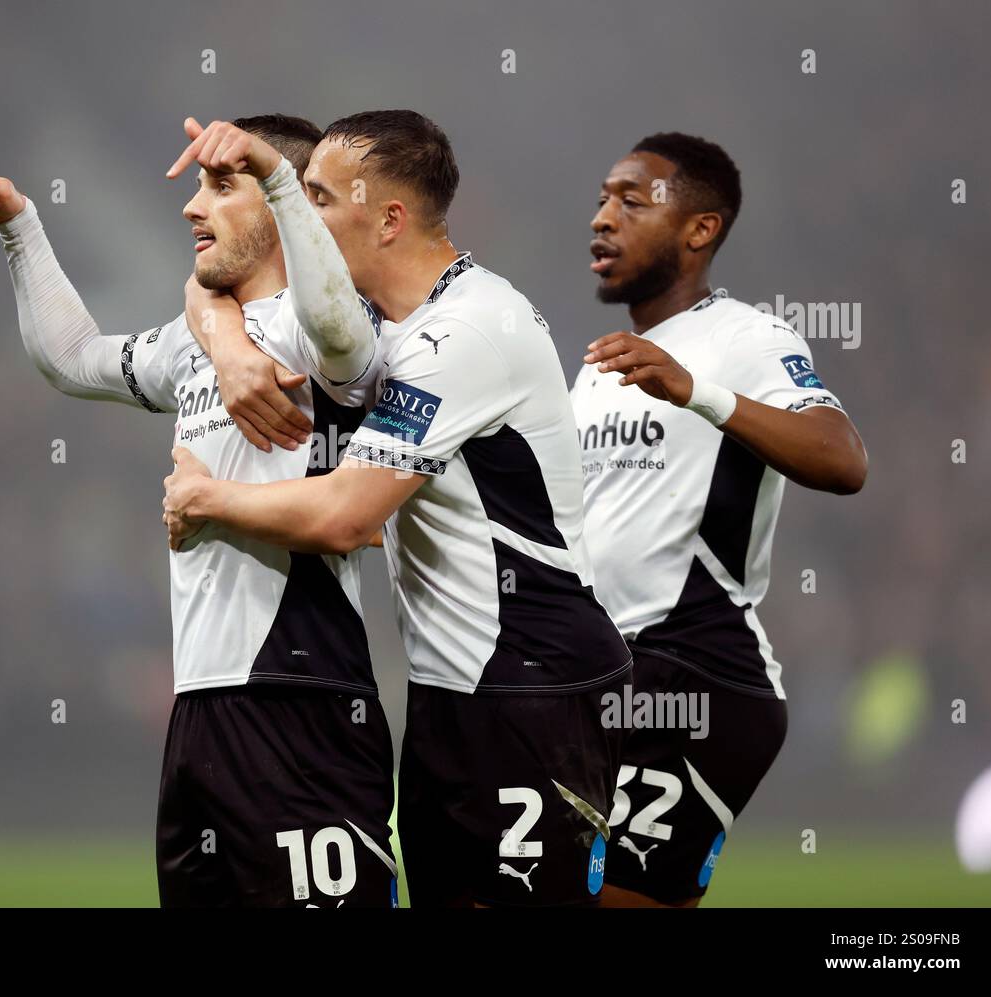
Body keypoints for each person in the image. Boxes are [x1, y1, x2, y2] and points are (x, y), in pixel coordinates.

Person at [164, 111, 630, 907]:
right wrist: (231, 345)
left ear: (389, 219)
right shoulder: (387, 329)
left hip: (531, 686)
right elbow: (208, 291)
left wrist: (208, 497)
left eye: (315, 198)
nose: (295, 219)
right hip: (449, 691)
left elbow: (348, 515)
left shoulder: (468, 331)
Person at [0, 114, 397, 907]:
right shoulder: (197, 344)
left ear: (285, 205)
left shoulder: (332, 332)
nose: (193, 206)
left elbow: (332, 319)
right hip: (201, 714)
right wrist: (21, 227)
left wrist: (281, 183)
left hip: (302, 699)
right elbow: (75, 358)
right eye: (197, 187)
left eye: (221, 185)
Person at [572, 132, 868, 906]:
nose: (603, 217)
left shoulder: (748, 338)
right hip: (602, 681)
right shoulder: (600, 365)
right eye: (602, 198)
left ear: (701, 229)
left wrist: (700, 391)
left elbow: (844, 459)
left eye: (631, 201)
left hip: (698, 674)